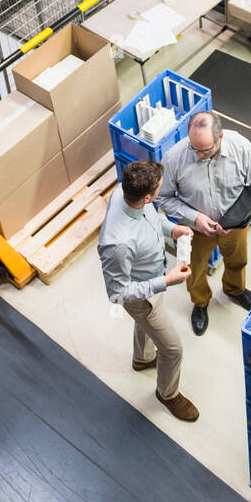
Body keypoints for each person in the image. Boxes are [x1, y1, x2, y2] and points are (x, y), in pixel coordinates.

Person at [98, 158, 199, 422]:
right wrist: (165, 281)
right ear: (146, 196)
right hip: (143, 296)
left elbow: (152, 218)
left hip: (151, 277)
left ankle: (142, 359)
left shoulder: (124, 192)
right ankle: (167, 394)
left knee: (145, 325)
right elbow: (117, 292)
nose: (160, 194)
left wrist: (173, 229)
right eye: (157, 191)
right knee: (173, 349)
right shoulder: (118, 244)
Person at [158, 111, 251, 337]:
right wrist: (195, 217)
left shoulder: (241, 147)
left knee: (238, 259)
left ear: (220, 138)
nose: (199, 155)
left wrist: (238, 217)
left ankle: (235, 289)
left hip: (234, 224)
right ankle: (200, 303)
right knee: (194, 271)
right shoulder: (175, 158)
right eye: (194, 148)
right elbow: (163, 197)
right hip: (193, 230)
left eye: (206, 150)